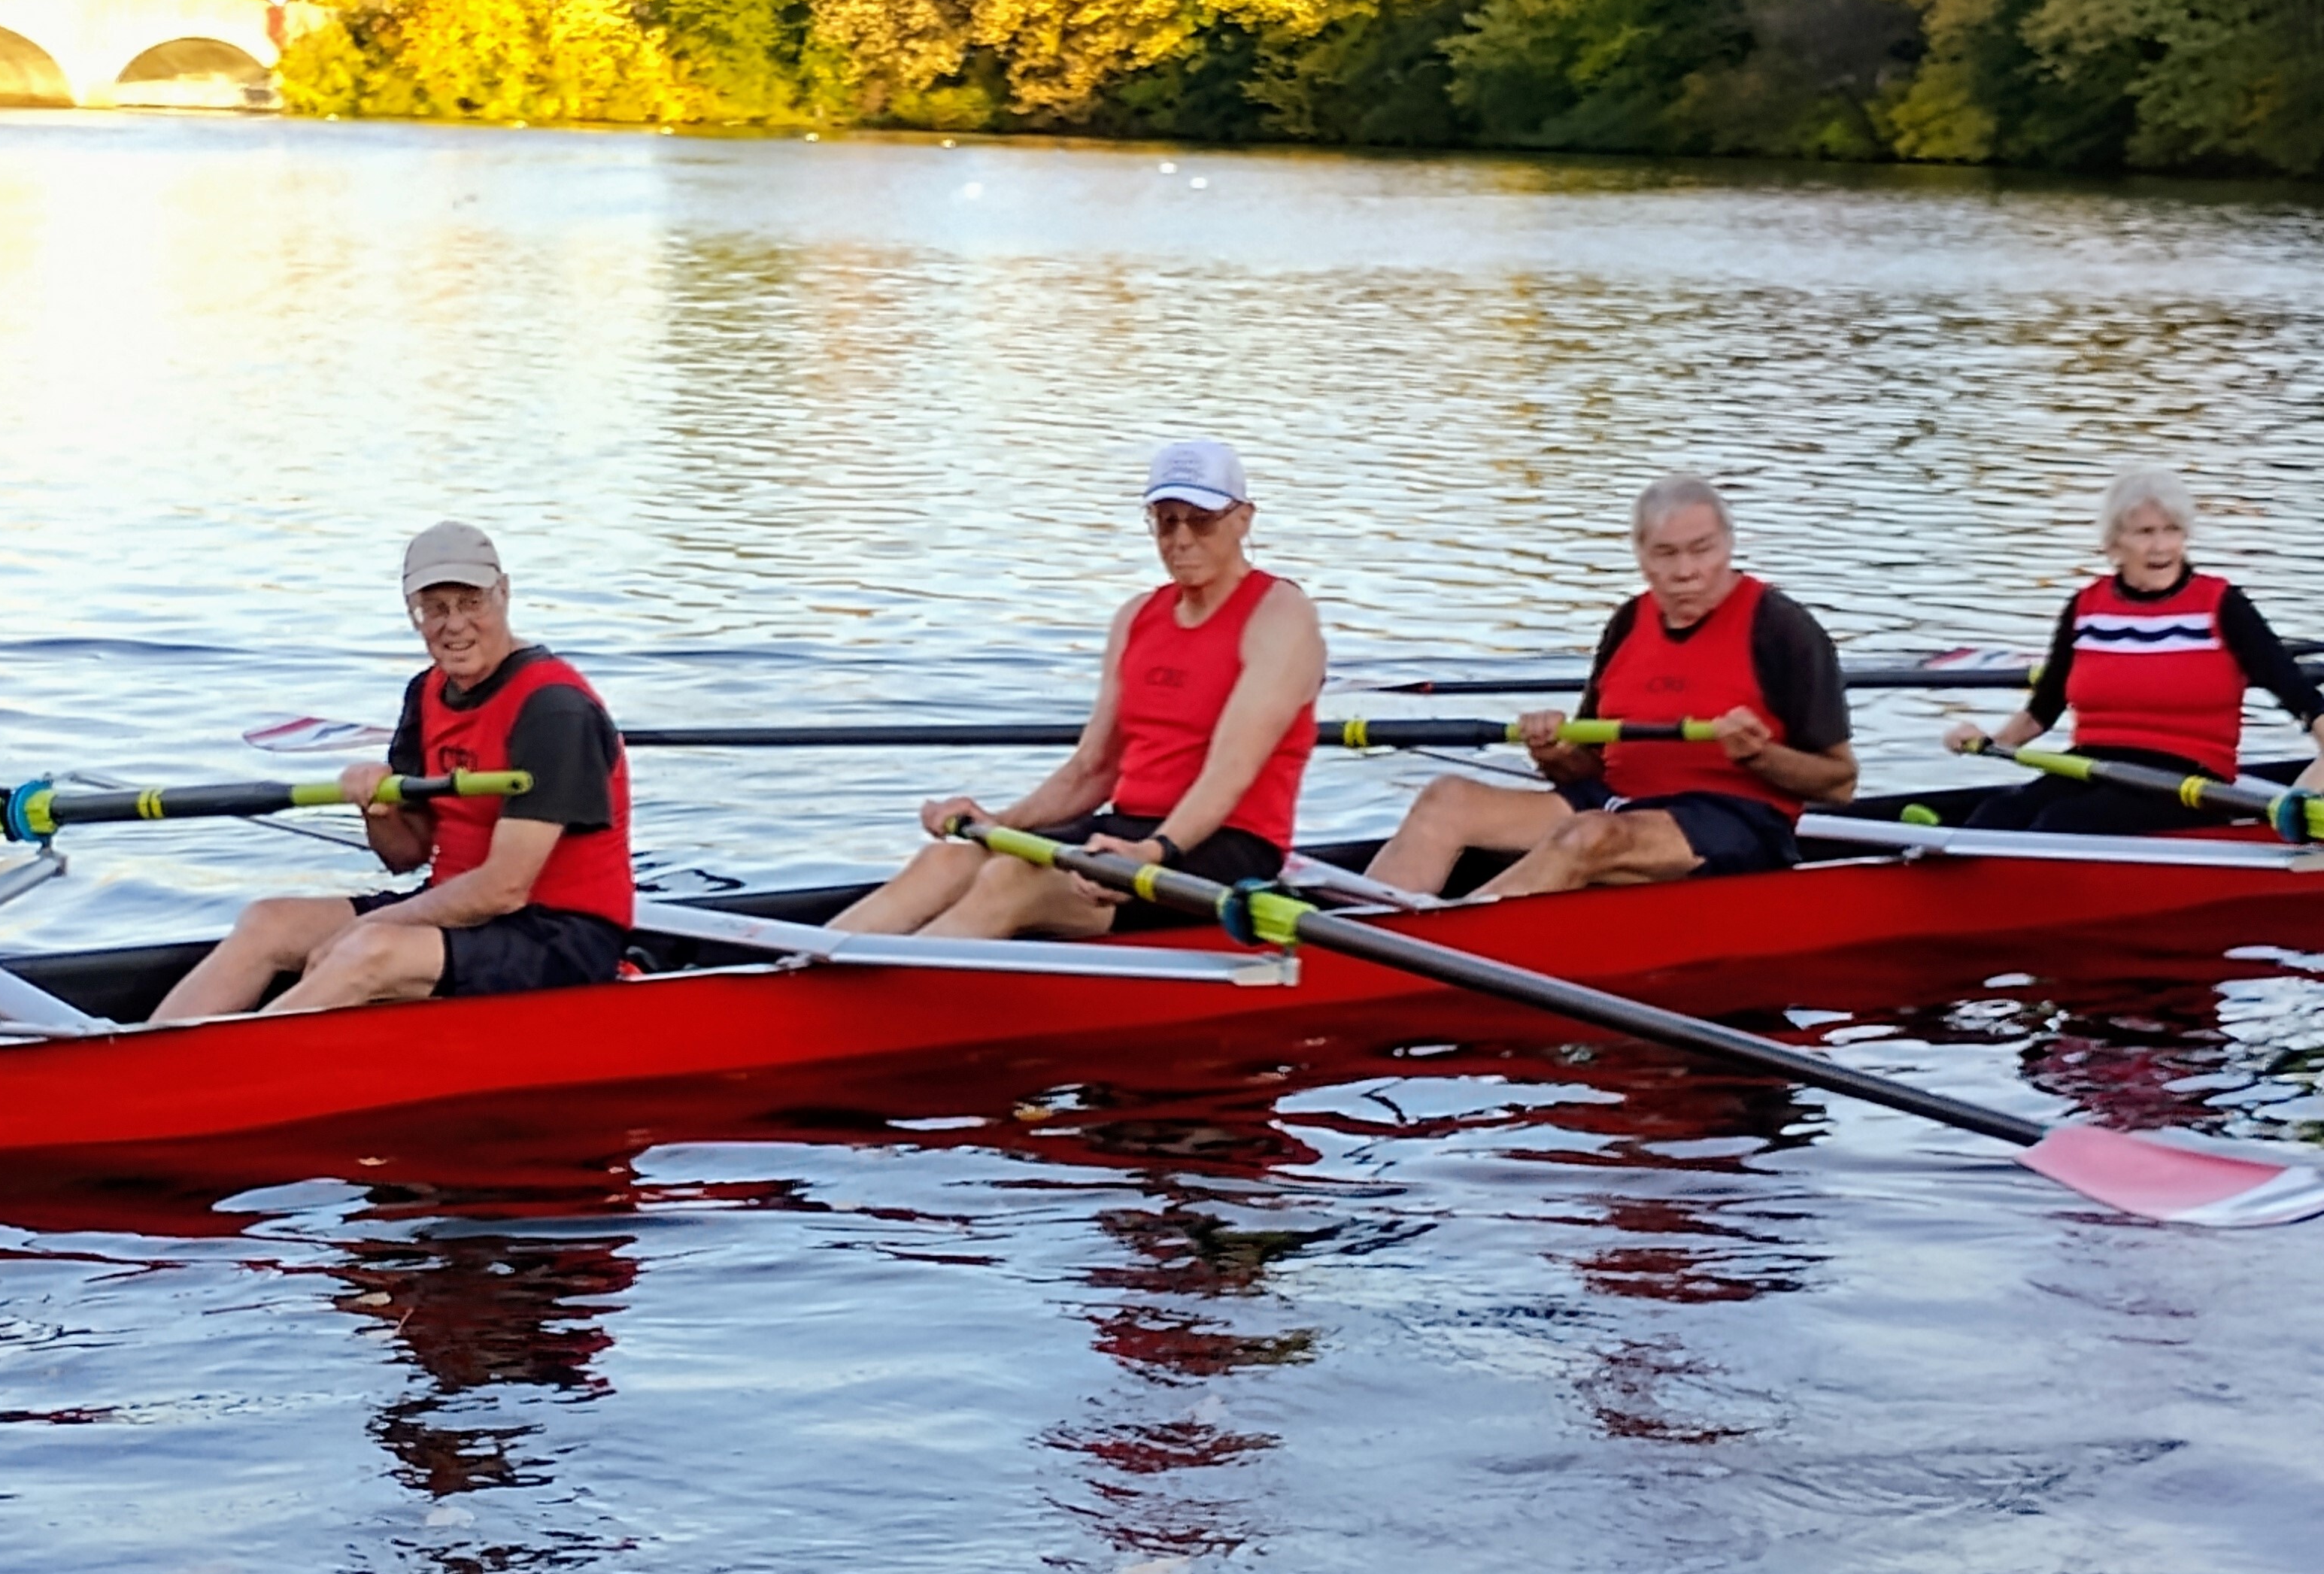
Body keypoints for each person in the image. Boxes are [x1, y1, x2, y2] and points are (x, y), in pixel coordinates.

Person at [830, 439, 1326, 939]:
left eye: (1201, 520)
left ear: (1243, 519)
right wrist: (999, 822)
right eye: (1165, 520)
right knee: (945, 861)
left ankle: (869, 1006)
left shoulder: (1280, 616)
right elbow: (1093, 769)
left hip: (1229, 851)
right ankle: (802, 978)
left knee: (1012, 880)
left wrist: (1153, 853)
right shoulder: (1137, 617)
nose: (1180, 539)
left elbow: (1231, 770)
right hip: (1128, 831)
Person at [153, 521, 632, 1017]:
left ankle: (216, 1080)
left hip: (560, 934)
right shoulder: (426, 693)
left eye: (472, 603)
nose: (455, 625)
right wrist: (378, 809)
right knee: (268, 921)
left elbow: (503, 890)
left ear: (504, 594)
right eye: (435, 609)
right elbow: (407, 856)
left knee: (366, 952)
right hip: (460, 909)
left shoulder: (554, 711)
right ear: (414, 613)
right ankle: (145, 1063)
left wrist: (365, 930)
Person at [1367, 473, 1855, 899]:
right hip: (1616, 803)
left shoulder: (1782, 629)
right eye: (1665, 554)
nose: (1685, 571)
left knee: (1587, 836)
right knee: (1447, 798)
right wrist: (1554, 753)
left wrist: (1759, 755)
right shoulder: (1628, 622)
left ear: (1728, 545)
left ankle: (1430, 955)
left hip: (1736, 823)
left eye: (1702, 550)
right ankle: (1358, 938)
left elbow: (1839, 782)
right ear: (1641, 555)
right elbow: (1589, 768)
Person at [1943, 464, 2324, 831]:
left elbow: (2297, 692)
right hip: (2091, 765)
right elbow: (2041, 712)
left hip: (2188, 779)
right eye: (2144, 532)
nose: (2161, 546)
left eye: (2172, 530)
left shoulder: (2222, 605)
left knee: (2066, 823)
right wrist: (1988, 741)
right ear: (2114, 543)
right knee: (1998, 815)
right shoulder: (2086, 608)